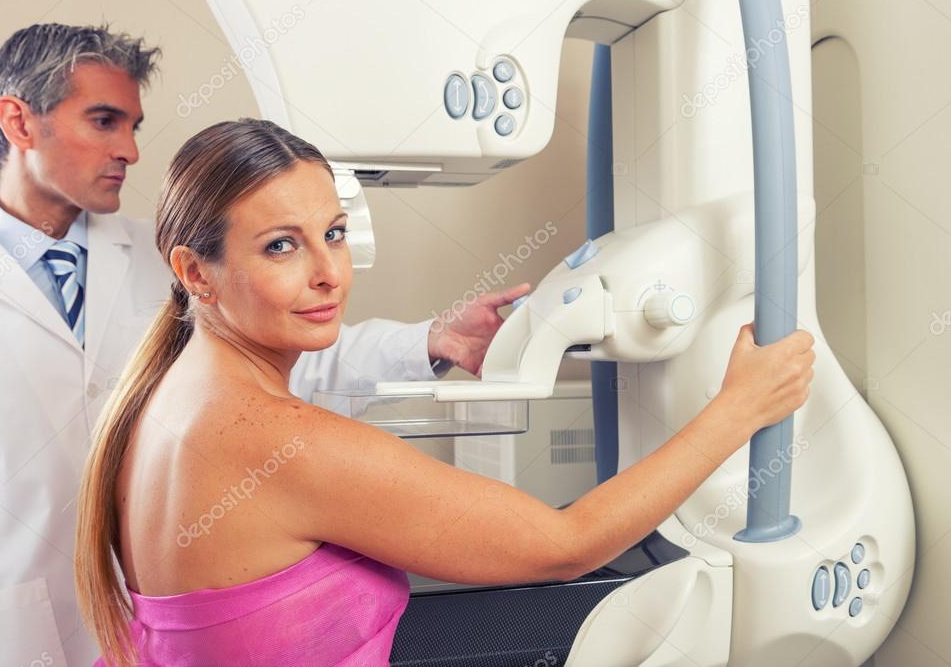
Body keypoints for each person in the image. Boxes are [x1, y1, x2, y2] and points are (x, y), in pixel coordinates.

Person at [74, 118, 816, 666]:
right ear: (195, 271)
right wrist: (739, 409)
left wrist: (436, 337)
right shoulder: (276, 439)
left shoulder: (160, 399)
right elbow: (567, 546)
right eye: (281, 245)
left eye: (332, 233)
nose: (329, 272)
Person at [0, 24, 523, 667]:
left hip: (160, 623)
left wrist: (434, 339)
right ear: (18, 121)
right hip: (13, 636)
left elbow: (297, 357)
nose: (129, 148)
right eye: (104, 121)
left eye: (133, 124)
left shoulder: (172, 260)